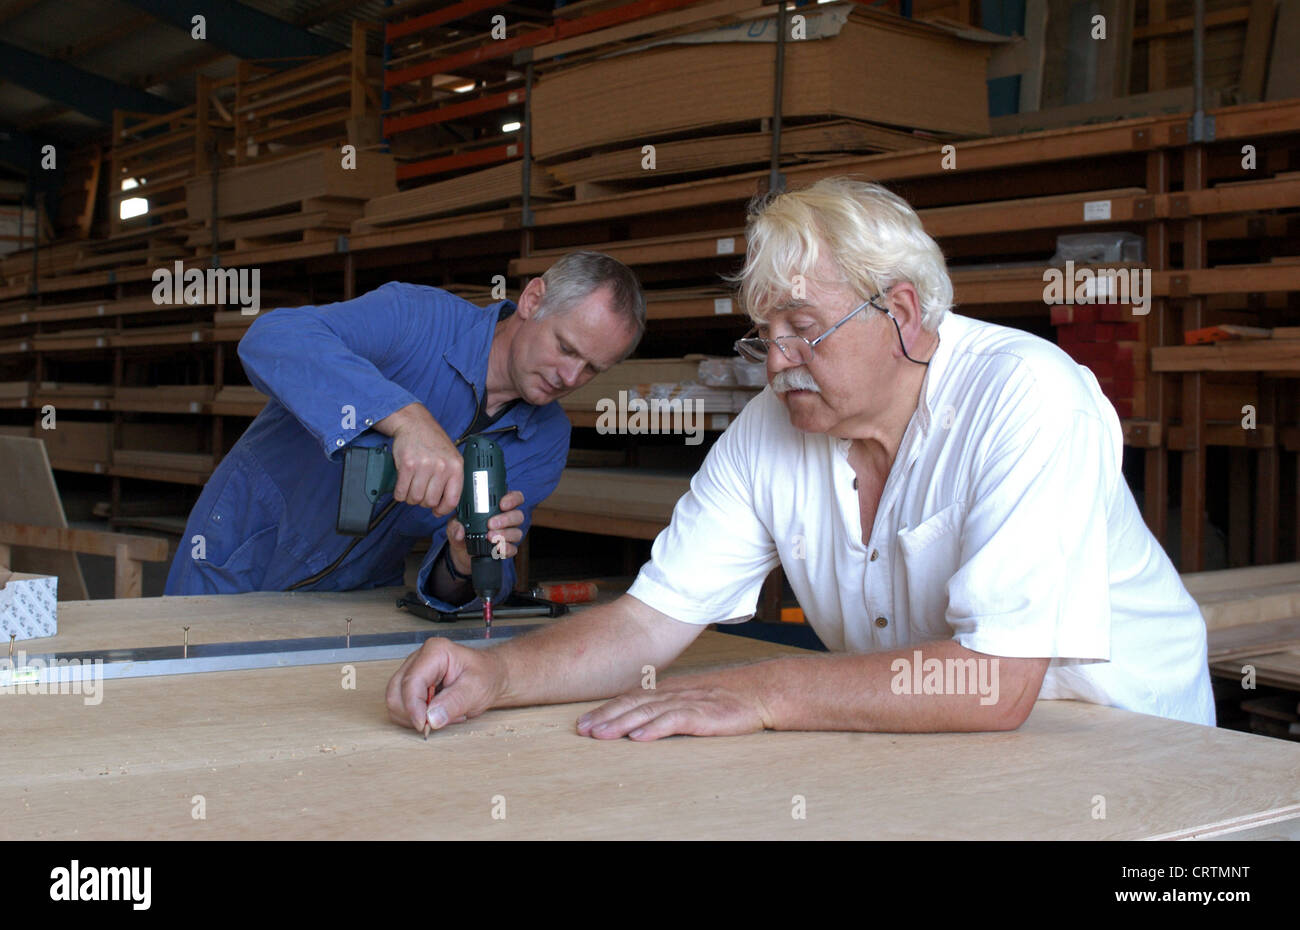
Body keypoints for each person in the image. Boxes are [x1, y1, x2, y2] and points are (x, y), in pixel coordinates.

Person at [386, 177, 1215, 737]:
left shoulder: (1030, 397)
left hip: (1132, 738)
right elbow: (647, 622)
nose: (777, 361)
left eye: (802, 329)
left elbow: (992, 684)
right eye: (764, 335)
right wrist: (497, 676)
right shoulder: (771, 427)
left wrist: (764, 689)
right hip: (945, 743)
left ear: (900, 312)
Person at [165, 250, 645, 611]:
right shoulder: (416, 317)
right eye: (565, 347)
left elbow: (466, 584)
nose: (569, 378)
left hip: (353, 596)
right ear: (532, 300)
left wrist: (462, 559)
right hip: (237, 551)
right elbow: (273, 338)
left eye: (591, 369)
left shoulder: (544, 440)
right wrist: (407, 418)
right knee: (180, 708)